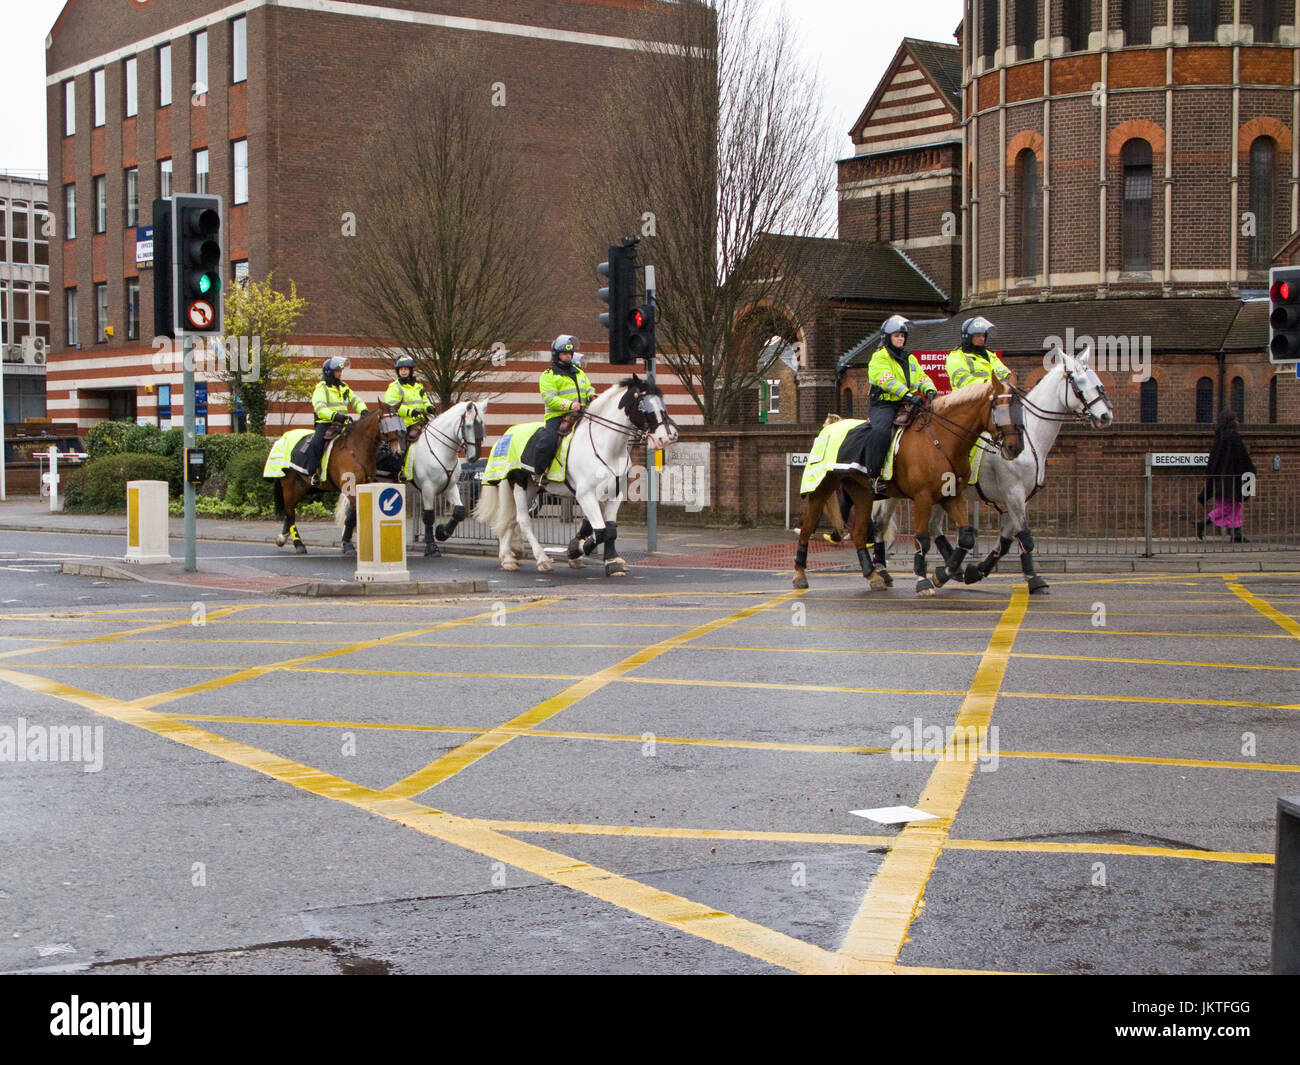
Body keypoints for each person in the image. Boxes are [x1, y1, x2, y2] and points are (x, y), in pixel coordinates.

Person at [863, 315, 938, 495]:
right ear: (887, 337)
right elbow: (886, 380)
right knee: (880, 432)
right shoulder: (879, 357)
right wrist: (909, 395)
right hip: (884, 405)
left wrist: (930, 390)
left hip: (907, 404)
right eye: (896, 335)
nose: (900, 339)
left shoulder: (909, 359)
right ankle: (873, 476)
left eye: (903, 336)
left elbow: (921, 377)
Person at [532, 334, 593, 486]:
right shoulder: (548, 375)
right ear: (557, 354)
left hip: (581, 414)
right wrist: (569, 405)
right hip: (558, 416)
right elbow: (549, 399)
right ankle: (539, 472)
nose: (568, 356)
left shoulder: (579, 372)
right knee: (549, 441)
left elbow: (588, 388)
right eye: (564, 353)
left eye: (570, 353)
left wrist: (592, 395)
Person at [301, 356, 367, 485]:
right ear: (329, 372)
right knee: (316, 443)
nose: (340, 374)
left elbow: (356, 400)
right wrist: (335, 416)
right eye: (337, 371)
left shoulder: (343, 387)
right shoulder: (322, 388)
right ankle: (313, 473)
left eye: (340, 371)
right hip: (326, 424)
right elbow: (320, 409)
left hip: (343, 423)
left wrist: (363, 410)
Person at [1199, 409, 1256, 543]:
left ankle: (1236, 532)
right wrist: (1251, 470)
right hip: (1231, 480)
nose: (1237, 421)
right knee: (1229, 506)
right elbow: (1241, 457)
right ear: (1231, 421)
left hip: (1221, 480)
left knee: (1236, 505)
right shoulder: (1233, 437)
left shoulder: (1220, 437)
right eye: (1235, 418)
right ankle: (1203, 522)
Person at [946, 316, 1010, 390]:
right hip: (967, 398)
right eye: (978, 336)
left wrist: (1010, 378)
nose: (982, 339)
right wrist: (989, 384)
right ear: (967, 337)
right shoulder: (956, 356)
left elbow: (1005, 373)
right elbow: (963, 380)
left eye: (983, 335)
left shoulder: (990, 355)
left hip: (991, 396)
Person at [383, 356, 433, 429]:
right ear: (398, 371)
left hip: (421, 422)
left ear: (410, 371)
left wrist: (429, 407)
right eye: (401, 369)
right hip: (403, 425)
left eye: (405, 369)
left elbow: (425, 402)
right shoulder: (394, 387)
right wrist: (410, 412)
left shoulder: (419, 386)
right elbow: (392, 405)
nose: (403, 371)